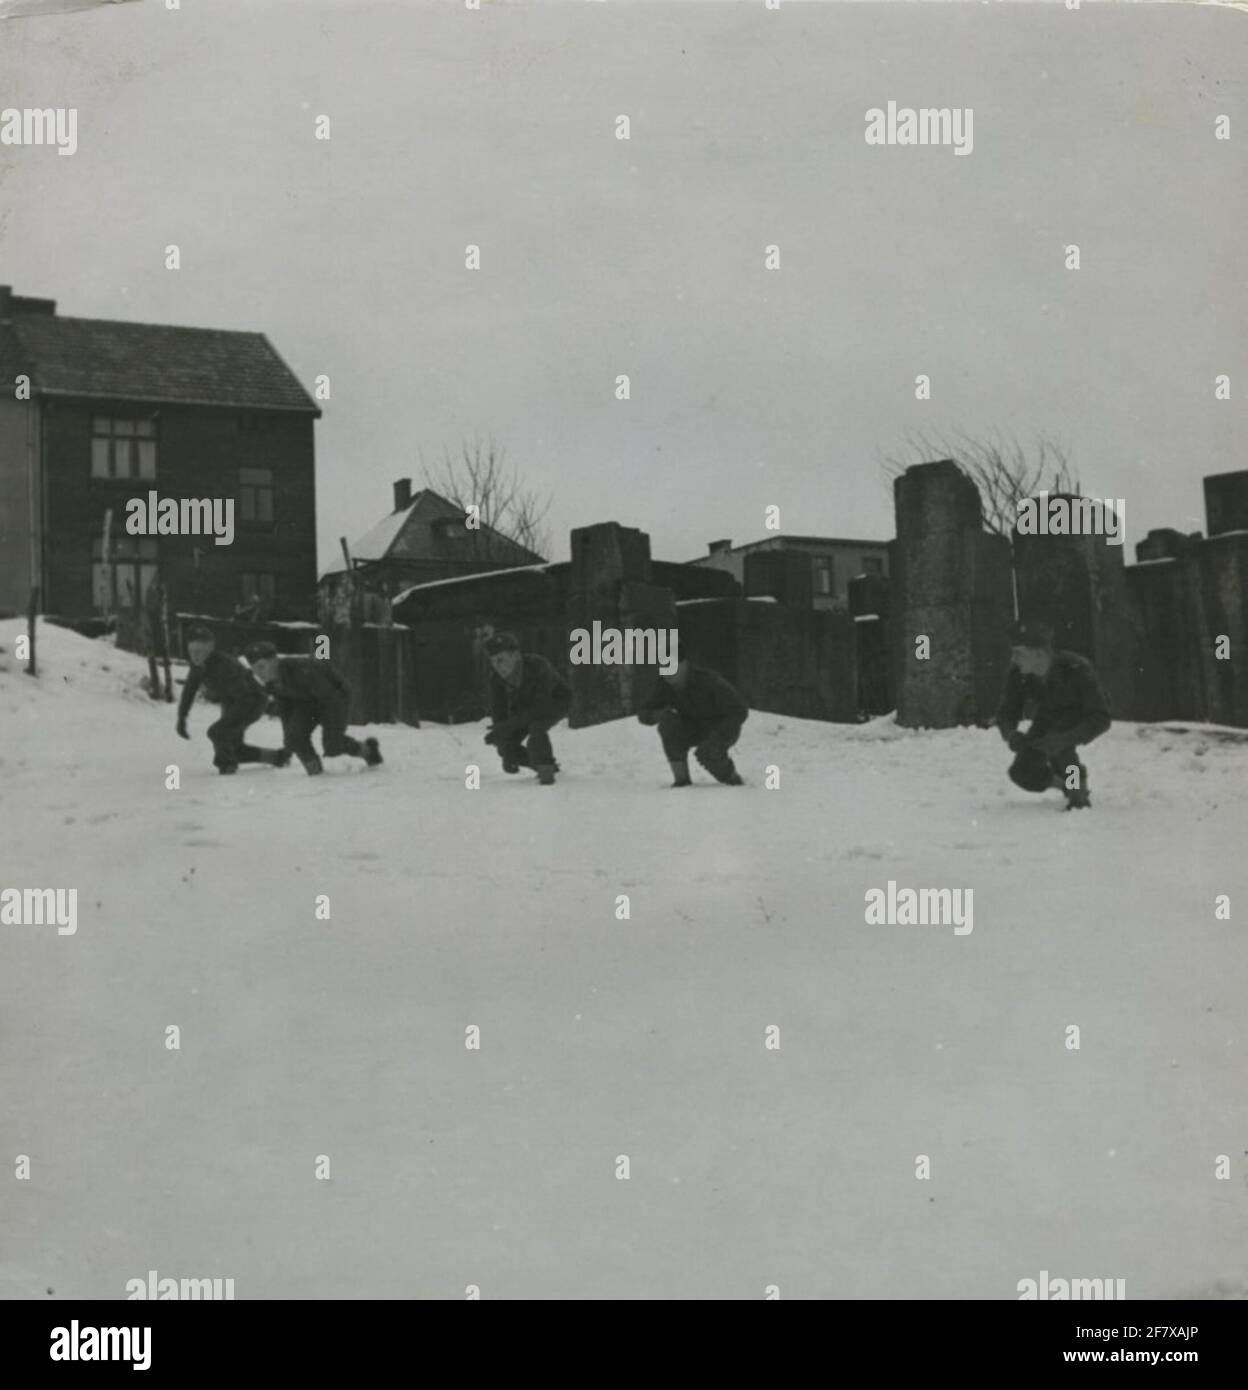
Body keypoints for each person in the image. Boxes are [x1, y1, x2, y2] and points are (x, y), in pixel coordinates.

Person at [996, 618, 1111, 810]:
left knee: (1063, 748)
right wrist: (1011, 735)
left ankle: (1077, 791)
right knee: (1021, 772)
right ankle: (1066, 785)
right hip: (1048, 715)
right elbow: (1007, 712)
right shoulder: (1018, 673)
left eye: (1019, 653)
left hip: (1081, 715)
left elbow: (1101, 717)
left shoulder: (1076, 668)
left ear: (1039, 654)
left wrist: (1065, 739)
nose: (1013, 659)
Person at [246, 641, 382, 776]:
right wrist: (290, 740)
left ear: (274, 661)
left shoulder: (302, 670)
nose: (259, 674)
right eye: (255, 670)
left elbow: (329, 699)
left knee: (332, 746)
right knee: (294, 738)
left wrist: (331, 732)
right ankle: (315, 774)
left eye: (261, 667)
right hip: (306, 700)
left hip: (334, 695)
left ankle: (369, 750)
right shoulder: (271, 683)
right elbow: (285, 708)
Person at [176, 625, 287, 775]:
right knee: (233, 748)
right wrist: (182, 717)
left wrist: (229, 723)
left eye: (199, 651)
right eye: (191, 651)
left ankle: (227, 767)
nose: (194, 656)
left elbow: (245, 696)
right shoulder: (198, 666)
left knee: (217, 733)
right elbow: (189, 690)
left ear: (210, 649)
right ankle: (278, 757)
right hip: (234, 701)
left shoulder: (225, 665)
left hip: (252, 700)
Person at [637, 654, 748, 787]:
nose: (667, 672)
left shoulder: (709, 680)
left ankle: (733, 780)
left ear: (684, 664)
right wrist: (659, 714)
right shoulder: (664, 685)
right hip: (693, 728)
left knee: (707, 752)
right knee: (668, 723)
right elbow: (644, 713)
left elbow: (740, 710)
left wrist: (719, 735)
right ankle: (682, 781)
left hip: (721, 728)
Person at [482, 631, 570, 785]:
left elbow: (541, 707)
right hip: (525, 709)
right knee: (504, 743)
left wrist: (509, 725)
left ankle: (546, 769)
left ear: (515, 656)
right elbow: (500, 714)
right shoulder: (495, 679)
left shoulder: (538, 666)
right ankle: (539, 765)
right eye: (493, 661)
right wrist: (505, 747)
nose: (497, 666)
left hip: (556, 702)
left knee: (536, 728)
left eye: (501, 660)